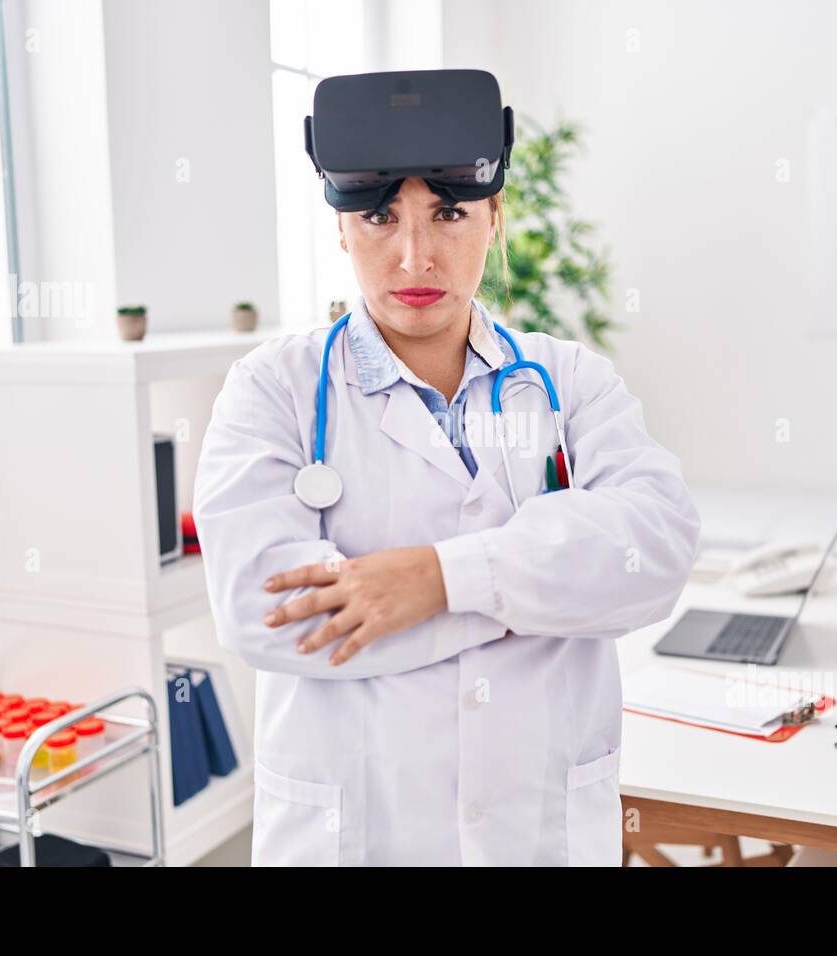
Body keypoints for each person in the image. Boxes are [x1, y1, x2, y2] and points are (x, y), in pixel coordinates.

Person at [193, 169, 701, 866]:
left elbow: (658, 546)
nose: (415, 256)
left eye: (449, 213)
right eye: (378, 217)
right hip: (359, 837)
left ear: (494, 217)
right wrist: (547, 586)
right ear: (339, 227)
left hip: (538, 832)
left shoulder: (571, 380)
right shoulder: (272, 388)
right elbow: (266, 610)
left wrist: (437, 579)